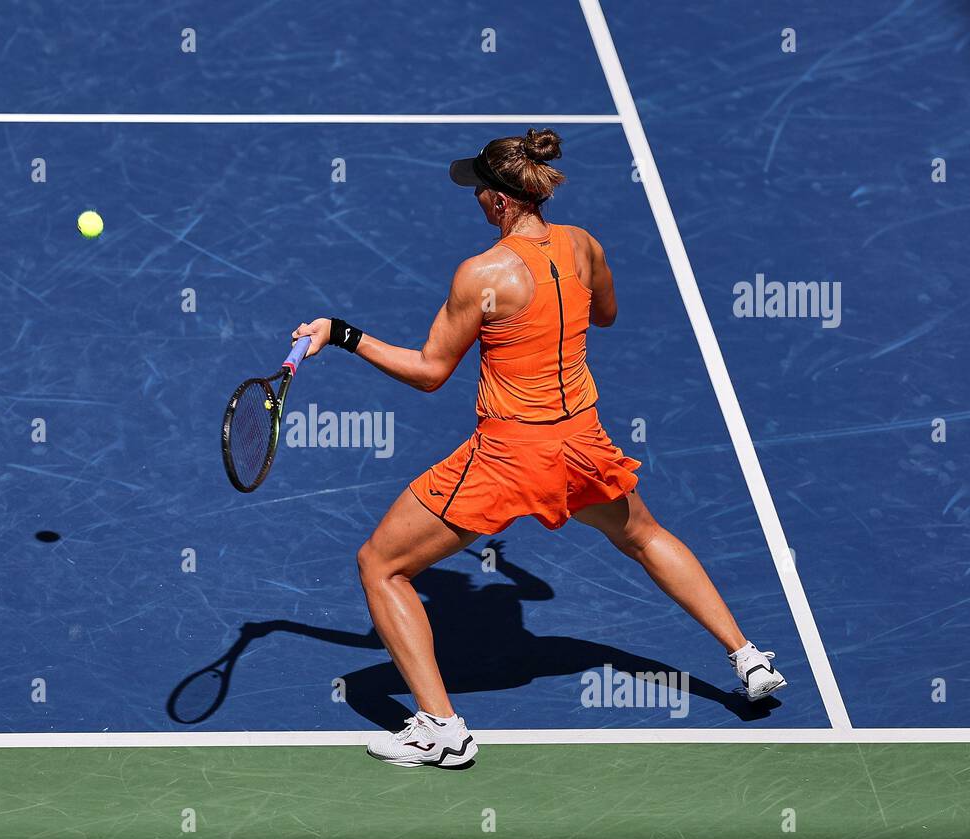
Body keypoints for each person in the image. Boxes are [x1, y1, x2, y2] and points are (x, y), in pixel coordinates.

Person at [291, 129, 786, 768]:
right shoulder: (581, 246)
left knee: (381, 565)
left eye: (478, 190)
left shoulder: (482, 274)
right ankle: (747, 657)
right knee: (644, 535)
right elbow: (604, 314)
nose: (474, 199)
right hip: (580, 441)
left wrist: (341, 333)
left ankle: (442, 729)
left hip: (506, 457)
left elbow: (429, 370)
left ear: (499, 202)